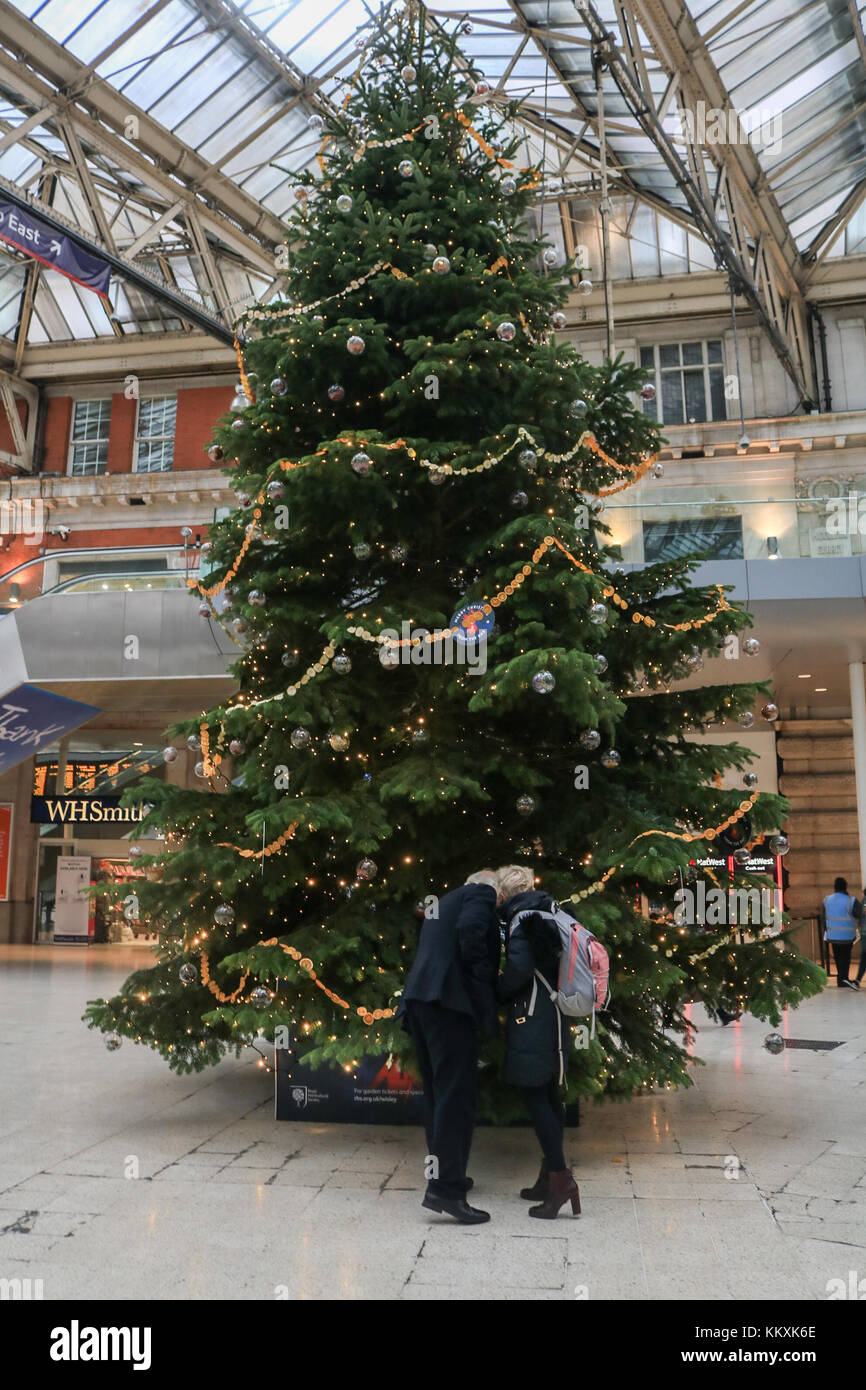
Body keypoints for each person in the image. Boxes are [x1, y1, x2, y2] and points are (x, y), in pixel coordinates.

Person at [399, 869, 502, 1224]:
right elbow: (471, 933)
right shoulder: (480, 892)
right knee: (457, 1096)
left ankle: (445, 1174)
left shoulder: (443, 901)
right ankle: (445, 1191)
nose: (499, 903)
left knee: (438, 1094)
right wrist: (485, 976)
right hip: (449, 1004)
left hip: (421, 1001)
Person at [497, 864, 581, 1219]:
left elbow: (518, 969)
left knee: (536, 1096)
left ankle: (561, 1182)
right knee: (548, 1094)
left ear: (504, 893)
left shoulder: (522, 920)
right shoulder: (550, 911)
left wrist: (497, 989)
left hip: (532, 1016)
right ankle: (550, 1177)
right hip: (552, 1012)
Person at [820, 876, 862, 989]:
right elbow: (859, 913)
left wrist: (826, 930)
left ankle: (841, 978)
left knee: (838, 957)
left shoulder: (826, 900)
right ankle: (843, 979)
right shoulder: (851, 900)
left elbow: (822, 917)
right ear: (845, 886)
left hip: (832, 935)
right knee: (845, 958)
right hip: (847, 936)